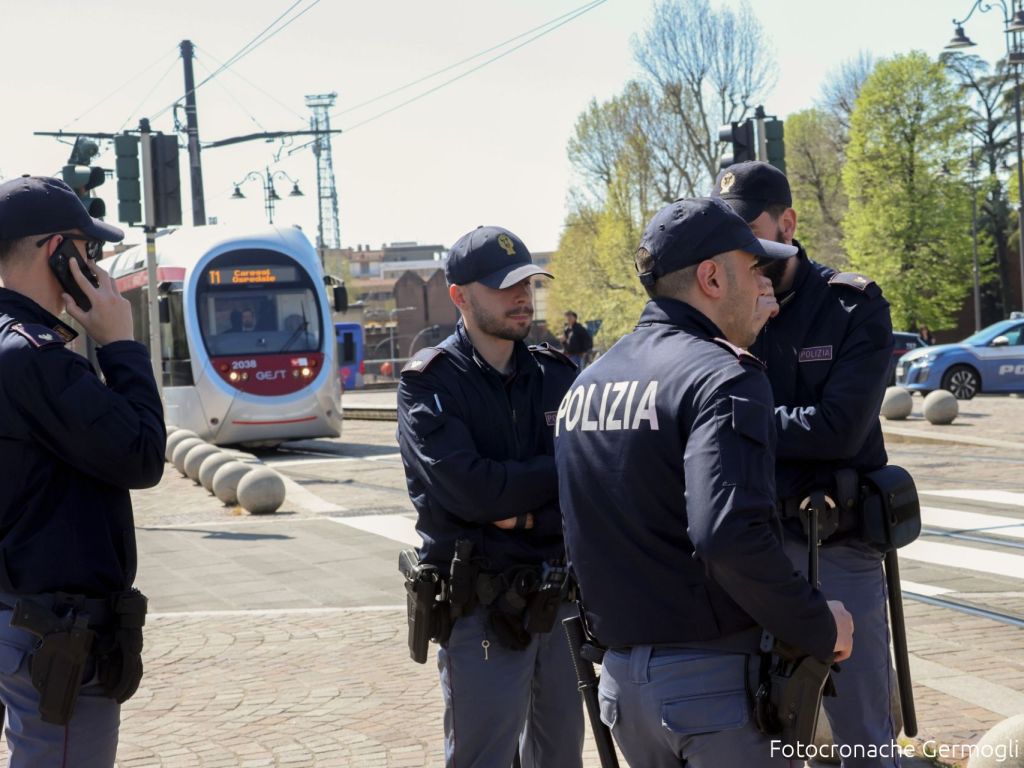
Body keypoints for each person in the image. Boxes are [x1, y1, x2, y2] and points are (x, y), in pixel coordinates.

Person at [555, 197, 853, 767]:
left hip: (622, 682)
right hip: (715, 690)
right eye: (754, 269)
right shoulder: (725, 376)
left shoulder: (587, 383)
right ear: (713, 278)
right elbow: (727, 535)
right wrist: (817, 622)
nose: (765, 283)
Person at [714, 161, 897, 767]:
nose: (738, 243)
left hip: (835, 540)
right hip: (754, 546)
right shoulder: (722, 308)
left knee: (862, 732)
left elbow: (839, 431)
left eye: (748, 226)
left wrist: (741, 424)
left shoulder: (850, 306)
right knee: (761, 727)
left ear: (788, 223)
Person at [397, 225, 583, 768]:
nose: (522, 296)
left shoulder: (558, 375)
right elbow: (472, 491)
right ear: (460, 295)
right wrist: (549, 482)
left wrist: (521, 515)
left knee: (562, 758)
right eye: (504, 286)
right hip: (479, 605)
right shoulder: (429, 382)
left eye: (527, 283)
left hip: (560, 598)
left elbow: (591, 474)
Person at [0, 175, 166, 766]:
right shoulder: (36, 357)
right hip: (52, 626)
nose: (95, 263)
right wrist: (120, 343)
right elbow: (143, 454)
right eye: (87, 250)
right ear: (57, 252)